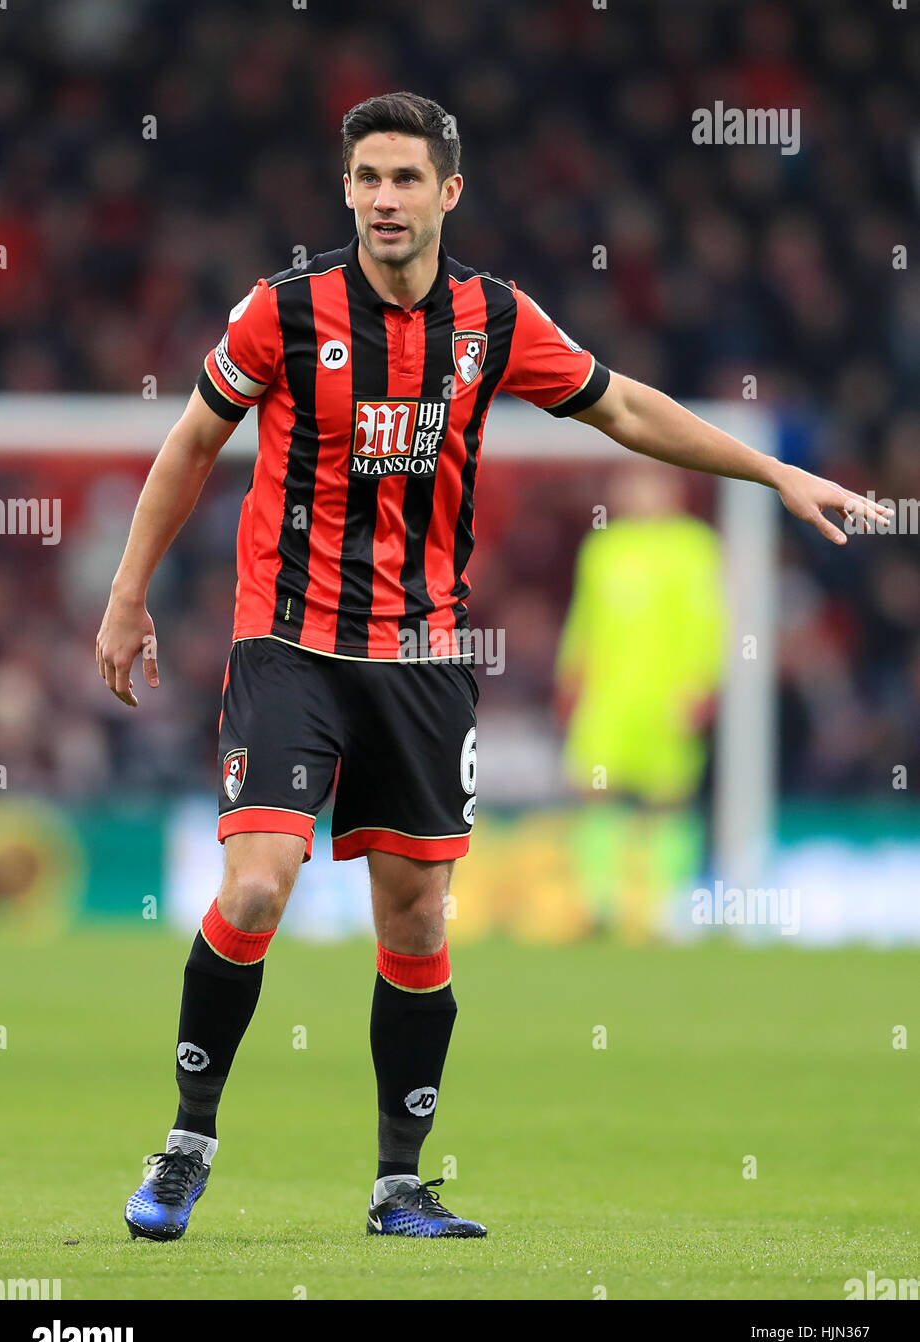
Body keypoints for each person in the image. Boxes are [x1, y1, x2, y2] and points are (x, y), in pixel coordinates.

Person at [95, 91, 891, 1242]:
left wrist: (772, 474)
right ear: (346, 191)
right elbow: (191, 441)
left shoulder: (493, 320)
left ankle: (398, 1183)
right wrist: (127, 598)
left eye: (405, 178)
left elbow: (620, 406)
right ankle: (185, 1143)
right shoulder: (284, 311)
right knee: (257, 884)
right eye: (365, 177)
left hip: (423, 660)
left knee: (416, 922)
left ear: (447, 193)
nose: (382, 198)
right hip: (292, 645)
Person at [556, 463, 725, 942]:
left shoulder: (694, 547)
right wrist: (570, 676)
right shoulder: (603, 547)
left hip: (667, 697)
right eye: (630, 483)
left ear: (672, 491)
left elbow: (708, 621)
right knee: (595, 793)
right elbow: (584, 619)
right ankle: (598, 902)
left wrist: (701, 684)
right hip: (608, 697)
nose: (638, 493)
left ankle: (665, 907)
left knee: (668, 799)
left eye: (649, 484)